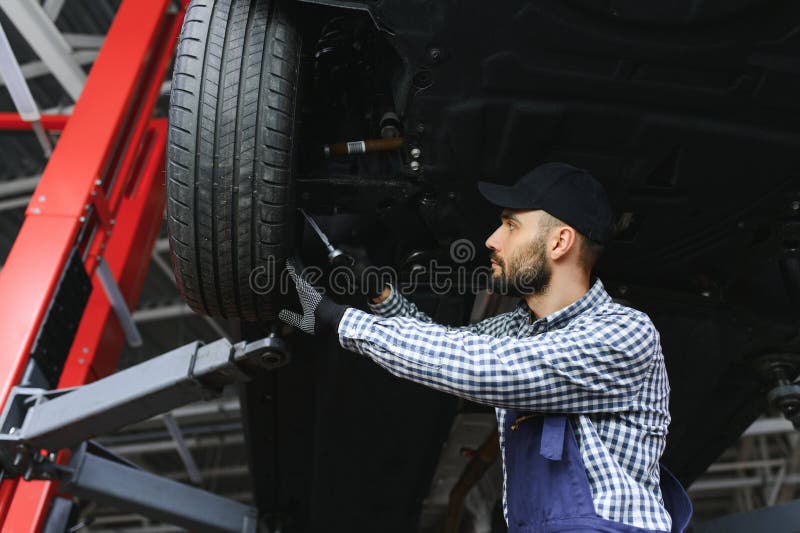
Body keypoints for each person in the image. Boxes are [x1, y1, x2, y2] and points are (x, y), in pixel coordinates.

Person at [278, 162, 692, 533]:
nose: (492, 239)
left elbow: (487, 368)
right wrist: (382, 297)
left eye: (511, 225)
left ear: (559, 242)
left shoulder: (623, 333)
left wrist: (338, 320)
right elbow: (446, 352)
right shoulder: (515, 329)